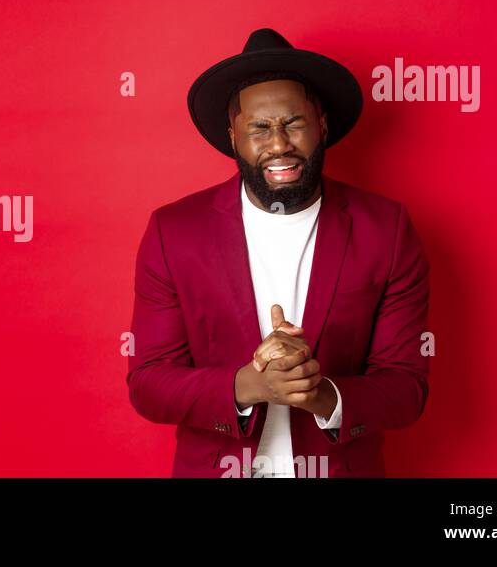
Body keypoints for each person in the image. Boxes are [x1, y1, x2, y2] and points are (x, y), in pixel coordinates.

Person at [127, 28, 431, 477]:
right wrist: (248, 386)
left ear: (321, 124)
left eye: (293, 124)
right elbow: (148, 383)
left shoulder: (386, 229)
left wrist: (319, 391)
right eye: (258, 128)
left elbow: (408, 389)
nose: (278, 145)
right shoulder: (174, 231)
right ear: (233, 137)